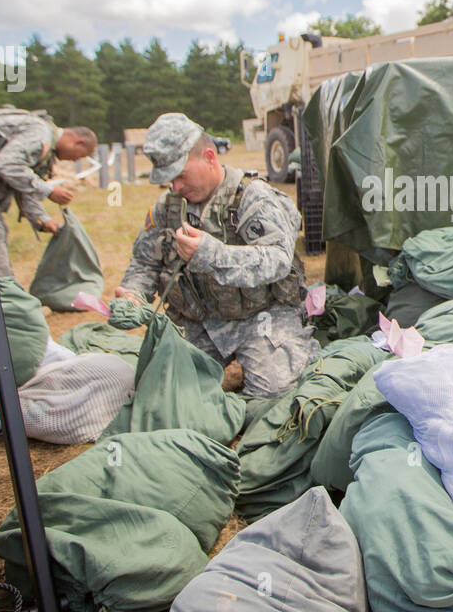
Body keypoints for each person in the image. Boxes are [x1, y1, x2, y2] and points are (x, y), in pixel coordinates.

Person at [115, 112, 317, 398]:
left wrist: (212, 254)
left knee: (275, 394)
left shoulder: (253, 197)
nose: (176, 187)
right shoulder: (168, 208)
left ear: (209, 157)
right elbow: (144, 262)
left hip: (260, 316)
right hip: (198, 322)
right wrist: (134, 295)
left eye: (181, 176)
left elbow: (278, 260)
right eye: (169, 180)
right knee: (161, 396)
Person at [0, 108, 97, 278]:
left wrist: (42, 220)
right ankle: (2, 294)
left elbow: (22, 185)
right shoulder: (40, 134)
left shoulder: (44, 142)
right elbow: (7, 165)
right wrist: (48, 190)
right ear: (78, 142)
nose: (74, 160)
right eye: (80, 156)